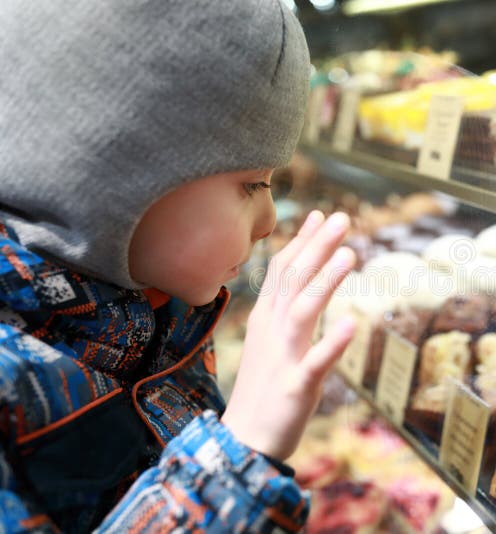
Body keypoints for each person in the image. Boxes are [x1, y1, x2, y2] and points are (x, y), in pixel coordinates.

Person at [0, 1, 355, 531]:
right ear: (111, 173)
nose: (267, 222)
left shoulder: (154, 306)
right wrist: (238, 458)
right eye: (251, 185)